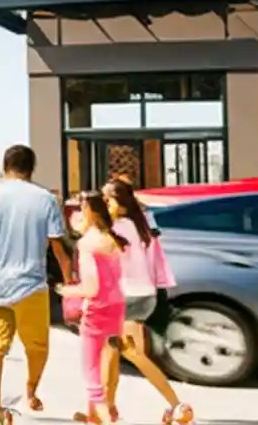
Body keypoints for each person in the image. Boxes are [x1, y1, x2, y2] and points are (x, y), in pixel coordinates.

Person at [0, 144, 74, 424]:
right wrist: (70, 280)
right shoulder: (44, 199)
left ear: (5, 166)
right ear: (31, 167)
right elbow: (58, 246)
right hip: (31, 287)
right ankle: (31, 390)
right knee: (37, 347)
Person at [103, 177, 195, 425]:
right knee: (111, 352)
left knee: (131, 354)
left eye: (107, 200)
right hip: (142, 294)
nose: (104, 204)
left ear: (120, 204)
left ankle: (178, 405)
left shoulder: (120, 227)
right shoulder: (139, 224)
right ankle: (106, 410)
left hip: (130, 296)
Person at [56, 192, 128, 425]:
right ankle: (94, 416)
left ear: (89, 212)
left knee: (92, 373)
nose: (73, 216)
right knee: (106, 362)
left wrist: (66, 291)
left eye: (78, 210)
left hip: (96, 311)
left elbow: (91, 287)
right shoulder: (112, 239)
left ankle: (105, 418)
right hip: (117, 307)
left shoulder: (87, 244)